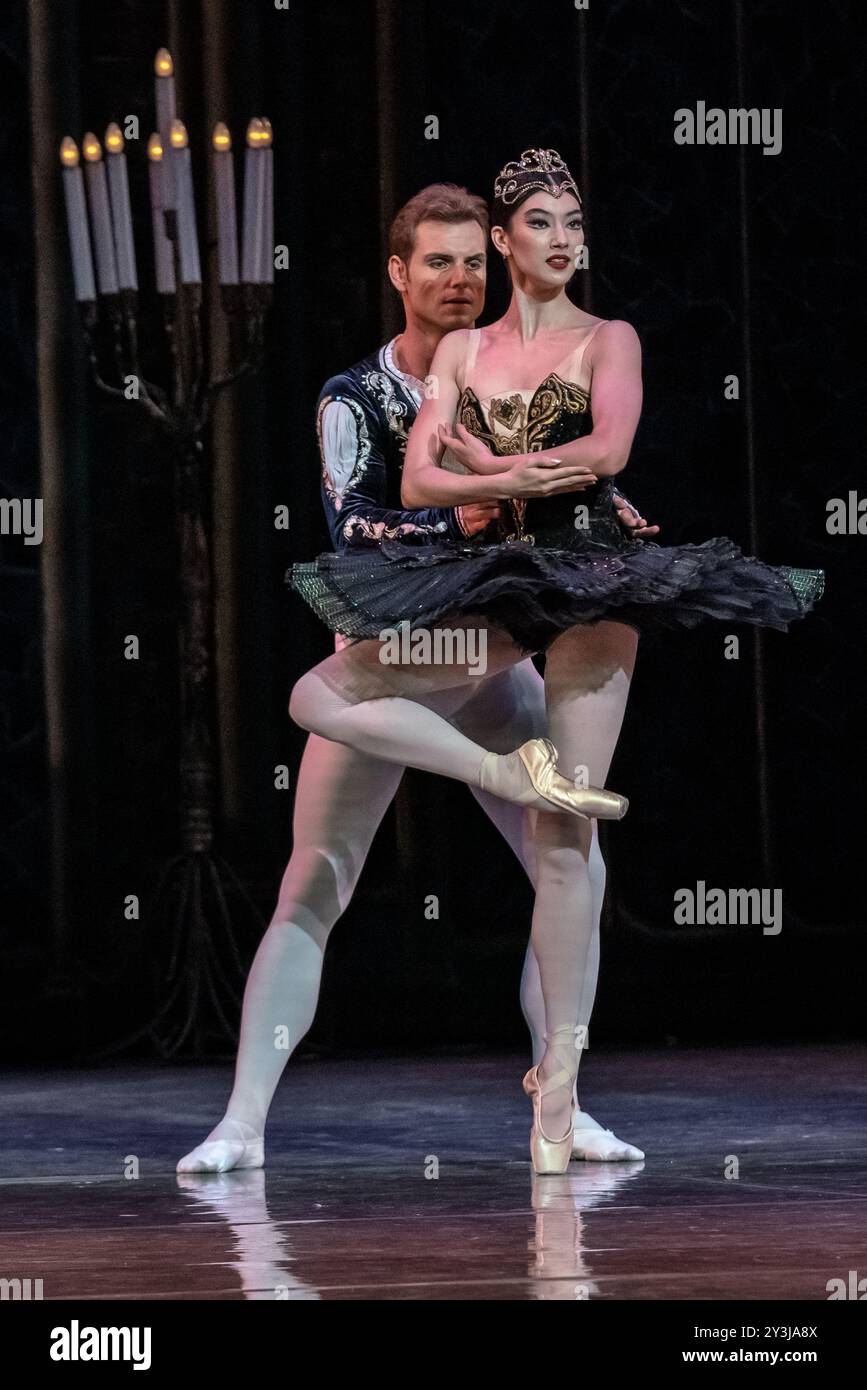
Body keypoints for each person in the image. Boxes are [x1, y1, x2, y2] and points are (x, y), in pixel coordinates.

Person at [287, 150, 825, 1174]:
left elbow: (611, 452)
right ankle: (495, 766)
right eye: (541, 222)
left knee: (571, 829)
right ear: (504, 239)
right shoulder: (459, 355)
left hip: (598, 577)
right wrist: (502, 473)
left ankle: (559, 1098)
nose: (564, 239)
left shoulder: (606, 335)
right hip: (502, 574)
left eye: (574, 221)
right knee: (318, 691)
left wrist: (514, 470)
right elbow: (416, 472)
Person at [177, 182, 654, 1174]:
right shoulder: (354, 399)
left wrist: (601, 511)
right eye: (436, 263)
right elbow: (356, 528)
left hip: (489, 655)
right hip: (401, 653)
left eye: (473, 262)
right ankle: (243, 1121)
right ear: (399, 274)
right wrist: (475, 513)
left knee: (575, 864)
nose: (459, 281)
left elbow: (573, 482)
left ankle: (560, 1106)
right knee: (315, 882)